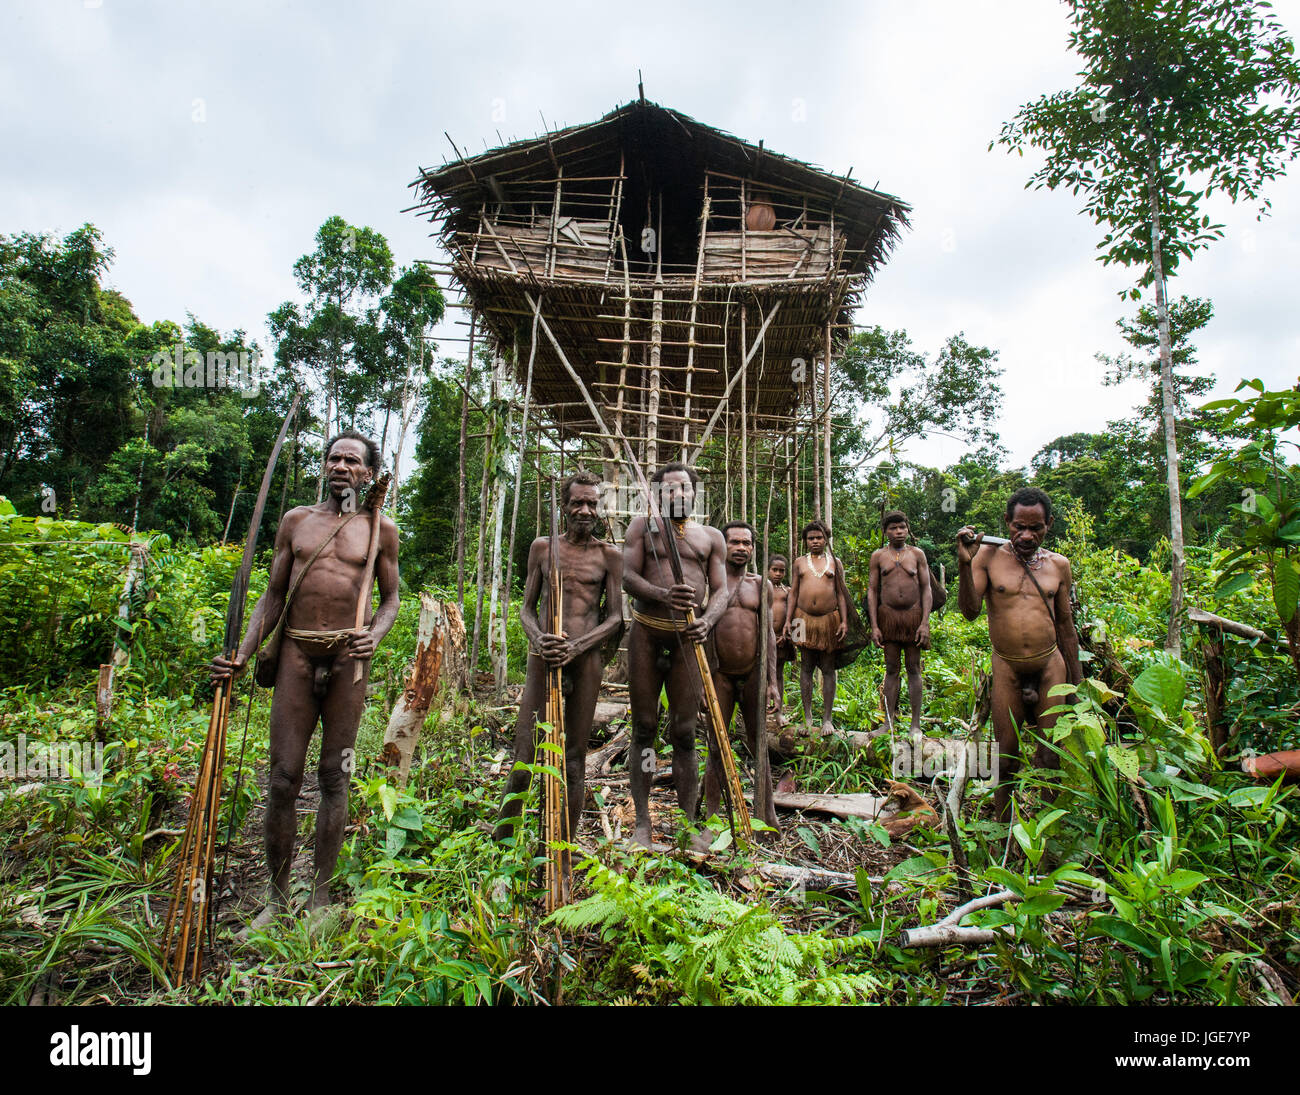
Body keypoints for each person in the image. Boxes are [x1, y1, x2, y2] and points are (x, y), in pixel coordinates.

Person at [211, 430, 399, 928]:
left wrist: (374, 636)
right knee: (282, 778)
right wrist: (241, 654)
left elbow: (391, 600)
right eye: (334, 458)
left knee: (335, 776)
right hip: (295, 651)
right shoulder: (297, 522)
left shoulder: (381, 528)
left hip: (346, 662)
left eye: (352, 461)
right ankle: (274, 901)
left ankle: (319, 898)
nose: (341, 466)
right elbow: (272, 596)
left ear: (368, 473)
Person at [494, 471, 623, 842]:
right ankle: (502, 844)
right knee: (524, 758)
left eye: (592, 504)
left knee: (574, 758)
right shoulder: (543, 547)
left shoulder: (609, 556)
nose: (585, 510)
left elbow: (614, 617)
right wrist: (540, 639)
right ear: (564, 506)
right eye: (577, 502)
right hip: (544, 658)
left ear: (600, 509)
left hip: (586, 661)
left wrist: (579, 646)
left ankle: (563, 846)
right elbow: (527, 609)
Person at [956, 487, 1081, 818]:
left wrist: (1076, 688)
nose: (1027, 535)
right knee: (1006, 755)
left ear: (1049, 524)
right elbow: (969, 611)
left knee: (1052, 753)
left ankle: (1049, 829)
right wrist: (963, 565)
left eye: (1036, 528)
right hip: (1008, 668)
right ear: (1007, 522)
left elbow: (1066, 628)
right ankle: (1003, 825)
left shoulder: (1059, 566)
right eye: (1019, 527)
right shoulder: (987, 557)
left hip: (1050, 668)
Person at [622, 463, 728, 849]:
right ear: (658, 495)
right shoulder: (642, 528)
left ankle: (686, 824)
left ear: (694, 493)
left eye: (684, 487)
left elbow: (721, 590)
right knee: (645, 728)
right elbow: (627, 577)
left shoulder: (711, 537)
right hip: (647, 634)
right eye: (668, 489)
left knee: (685, 732)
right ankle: (643, 823)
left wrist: (708, 620)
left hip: (687, 640)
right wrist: (662, 595)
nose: (677, 494)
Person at [703, 522, 782, 831]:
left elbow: (770, 635)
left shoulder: (761, 585)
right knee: (715, 744)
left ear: (753, 548)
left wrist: (773, 682)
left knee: (758, 742)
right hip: (719, 674)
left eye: (746, 543)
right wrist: (701, 681)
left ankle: (767, 814)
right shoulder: (711, 584)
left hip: (752, 674)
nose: (741, 548)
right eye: (734, 542)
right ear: (723, 546)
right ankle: (711, 818)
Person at [867, 511, 933, 735]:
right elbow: (872, 590)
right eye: (893, 528)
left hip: (913, 617)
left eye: (902, 528)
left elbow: (926, 589)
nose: (898, 532)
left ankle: (915, 725)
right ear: (886, 531)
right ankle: (888, 723)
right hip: (889, 617)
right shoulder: (878, 556)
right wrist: (875, 625)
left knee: (914, 668)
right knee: (891, 669)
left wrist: (925, 622)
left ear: (907, 529)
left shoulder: (917, 554)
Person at [782, 520, 848, 736]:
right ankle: (808, 718)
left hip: (829, 619)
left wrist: (844, 621)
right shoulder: (799, 562)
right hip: (801, 619)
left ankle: (827, 719)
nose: (815, 541)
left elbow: (841, 593)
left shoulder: (835, 562)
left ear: (826, 538)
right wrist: (787, 620)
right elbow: (793, 592)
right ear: (805, 541)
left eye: (819, 537)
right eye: (811, 538)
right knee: (806, 666)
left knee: (828, 667)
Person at [767, 555, 796, 730]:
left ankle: (778, 713)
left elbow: (795, 615)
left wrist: (788, 636)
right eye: (774, 570)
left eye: (781, 570)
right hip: (764, 639)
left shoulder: (788, 591)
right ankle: (762, 710)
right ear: (768, 569)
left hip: (782, 639)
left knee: (778, 674)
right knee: (762, 675)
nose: (778, 573)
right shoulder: (761, 587)